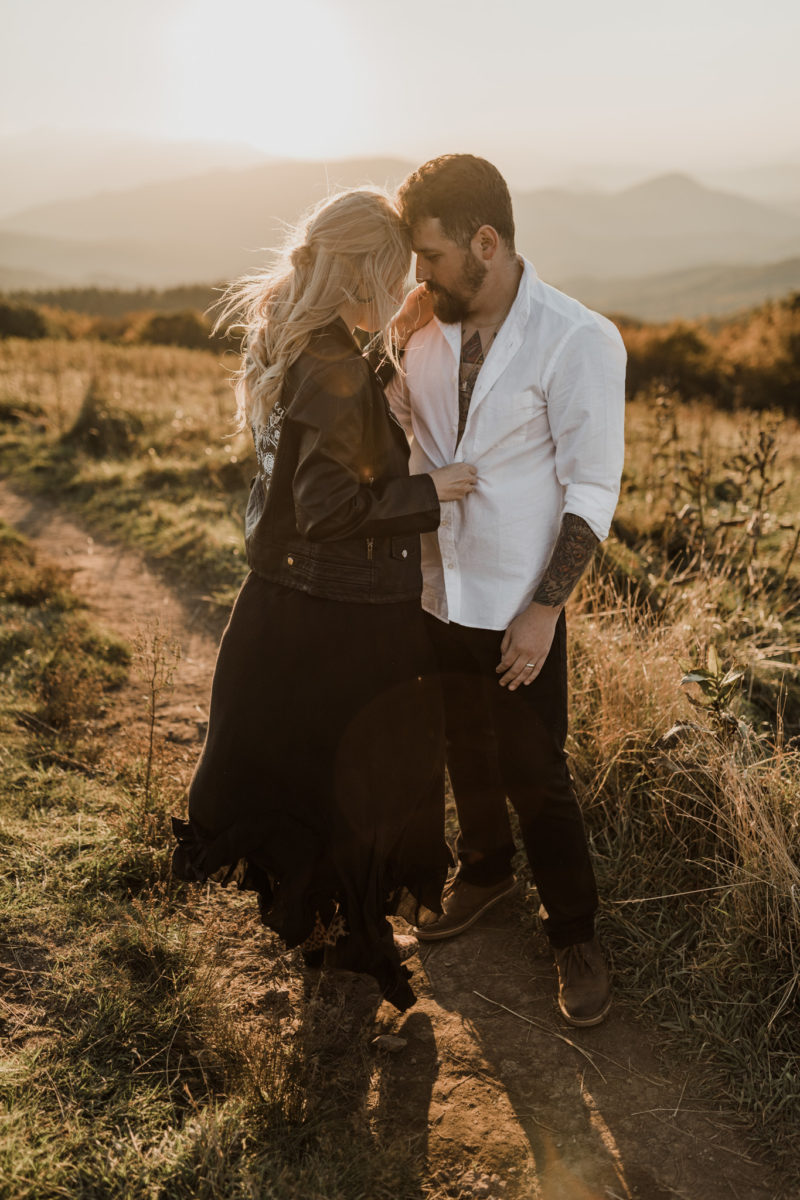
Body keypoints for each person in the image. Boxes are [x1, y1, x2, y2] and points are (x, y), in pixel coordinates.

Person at [171, 188, 477, 1011]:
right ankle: (347, 949)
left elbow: (336, 425)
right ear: (359, 275)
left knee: (312, 788)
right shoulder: (332, 362)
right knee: (364, 792)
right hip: (345, 624)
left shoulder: (301, 340)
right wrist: (432, 489)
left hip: (289, 612)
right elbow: (329, 506)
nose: (406, 282)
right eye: (394, 272)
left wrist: (392, 341)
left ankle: (333, 938)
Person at [385, 155, 626, 1026]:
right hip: (437, 588)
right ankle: (485, 871)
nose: (421, 275)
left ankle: (575, 935)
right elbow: (399, 426)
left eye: (433, 257)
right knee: (463, 749)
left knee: (537, 773)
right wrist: (395, 334)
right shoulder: (425, 329)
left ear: (486, 242)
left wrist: (545, 609)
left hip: (522, 603)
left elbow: (593, 491)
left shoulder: (578, 339)